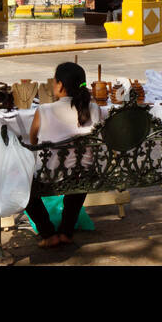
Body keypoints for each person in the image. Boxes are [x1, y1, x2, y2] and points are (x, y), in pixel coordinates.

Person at [23, 61, 103, 248]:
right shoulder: (94, 109)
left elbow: (33, 140)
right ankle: (66, 231)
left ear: (60, 85)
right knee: (80, 169)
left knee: (20, 183)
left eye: (54, 82)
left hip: (51, 176)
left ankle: (48, 233)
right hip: (84, 175)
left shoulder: (44, 110)